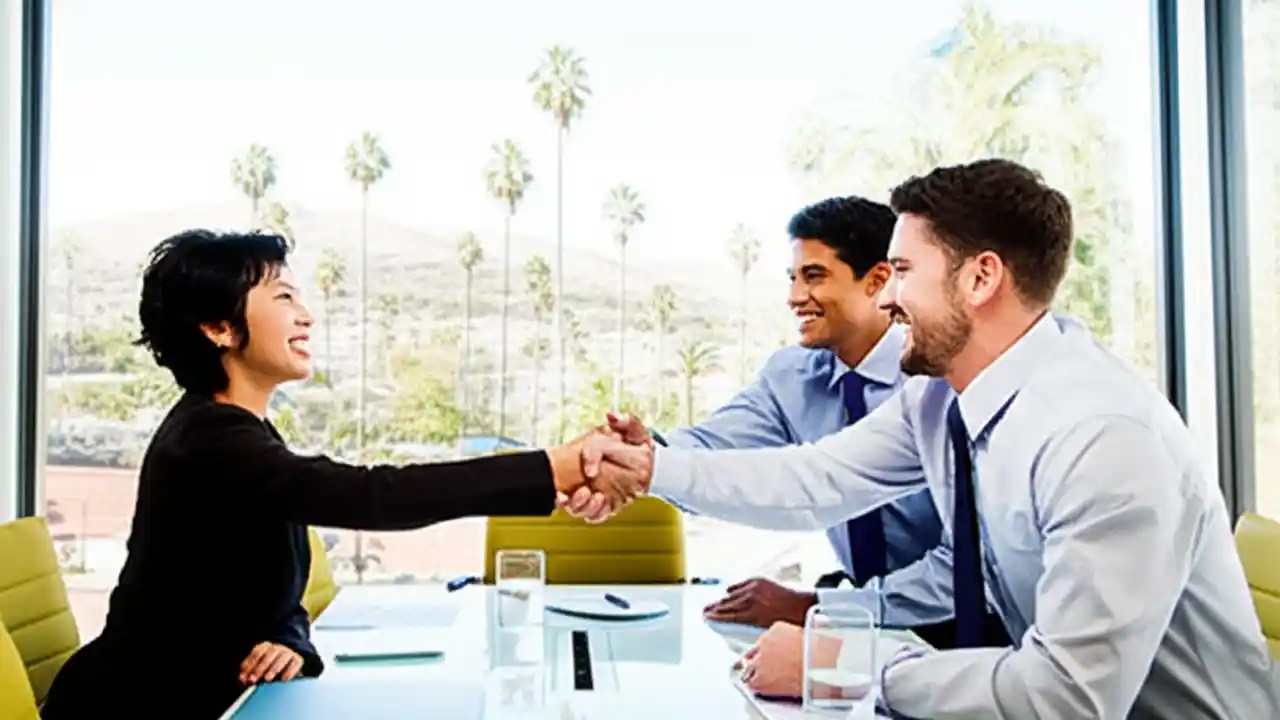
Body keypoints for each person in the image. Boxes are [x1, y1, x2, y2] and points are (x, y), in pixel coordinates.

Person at [570, 160, 1279, 718]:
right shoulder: (940, 399)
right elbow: (813, 479)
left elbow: (1069, 699)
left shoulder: (1102, 438)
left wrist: (839, 663)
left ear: (981, 278)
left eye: (903, 271)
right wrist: (650, 468)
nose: (884, 299)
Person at [39, 230, 631, 720]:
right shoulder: (208, 440)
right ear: (219, 328)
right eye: (283, 297)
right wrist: (552, 466)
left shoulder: (243, 432)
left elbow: (275, 596)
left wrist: (290, 641)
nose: (306, 316)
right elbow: (372, 495)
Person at [654, 195, 995, 650]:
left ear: (878, 280)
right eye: (793, 278)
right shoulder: (792, 376)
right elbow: (712, 448)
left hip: (972, 629)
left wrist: (815, 606)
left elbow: (972, 564)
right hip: (864, 617)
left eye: (814, 277)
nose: (795, 298)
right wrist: (642, 453)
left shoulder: (938, 381)